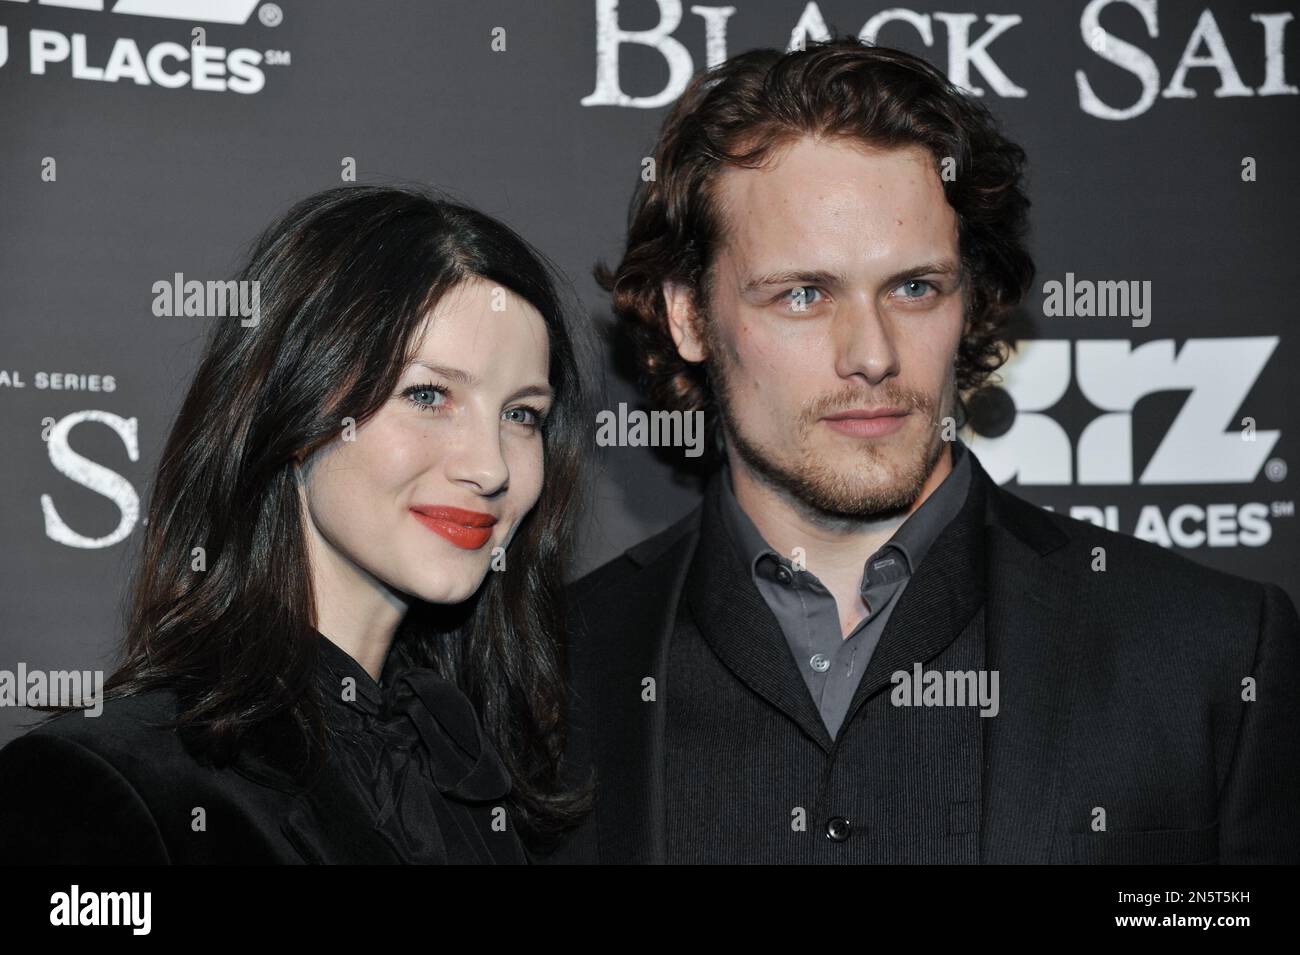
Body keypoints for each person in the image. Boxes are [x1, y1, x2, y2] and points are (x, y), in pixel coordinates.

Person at [541, 38, 1300, 864]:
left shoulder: (1208, 652)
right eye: (803, 293)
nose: (872, 353)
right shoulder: (559, 671)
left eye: (914, 288)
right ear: (688, 315)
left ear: (969, 302)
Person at [0, 185, 592, 863]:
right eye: (427, 395)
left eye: (522, 414)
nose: (490, 466)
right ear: (294, 406)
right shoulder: (108, 784)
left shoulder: (474, 783)